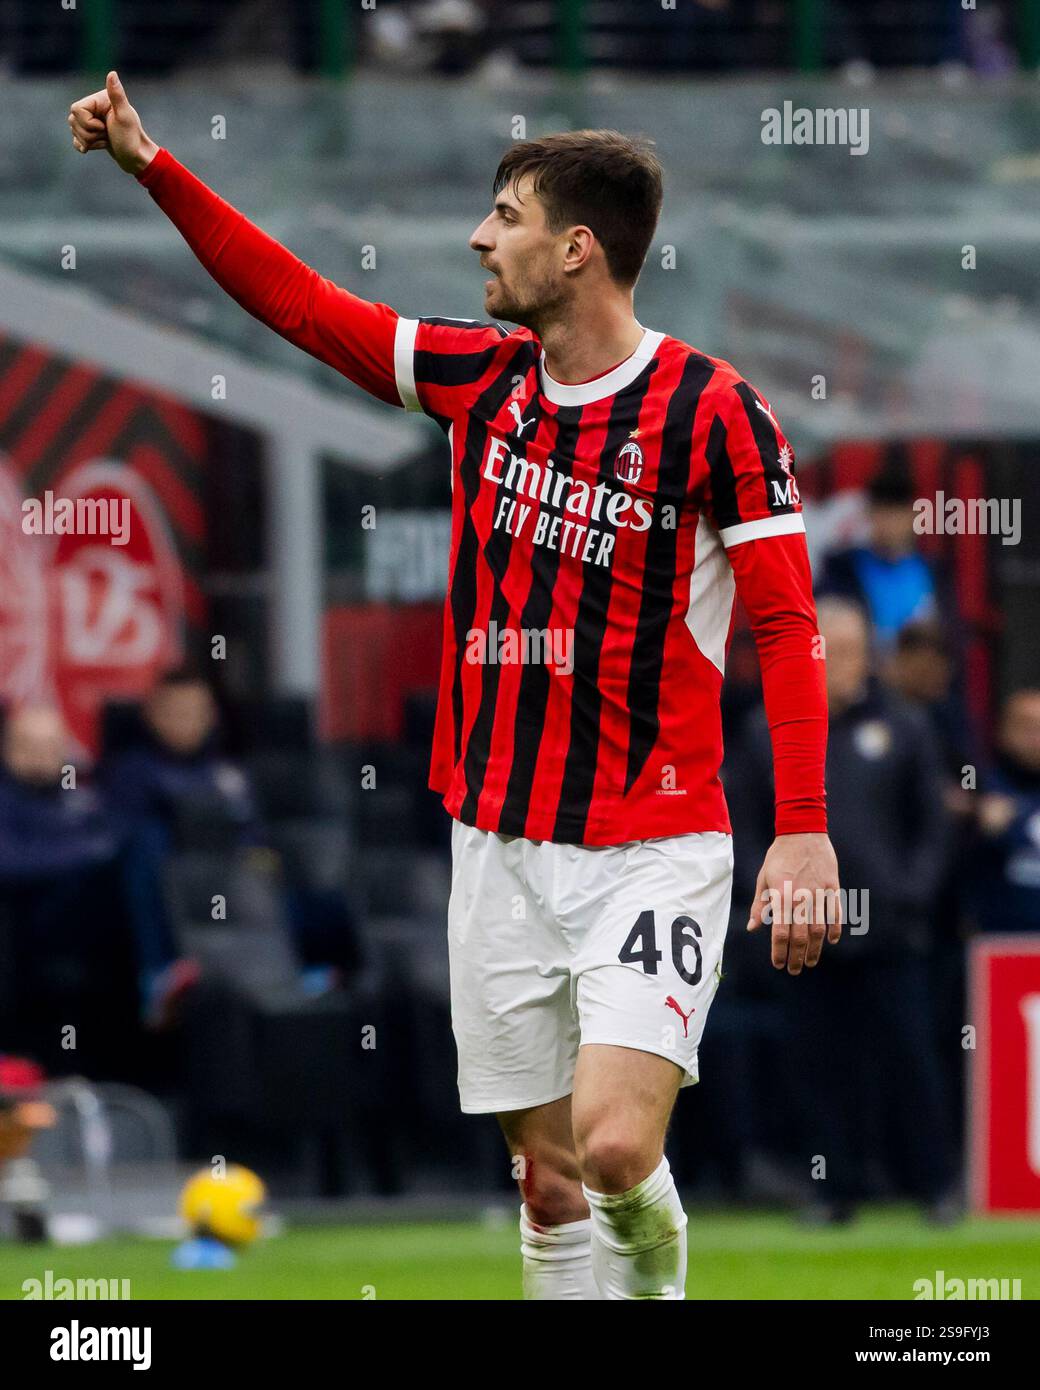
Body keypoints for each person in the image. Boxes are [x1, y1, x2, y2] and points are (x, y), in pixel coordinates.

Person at [67, 74, 841, 1300]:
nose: (480, 238)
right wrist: (155, 168)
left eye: (506, 215)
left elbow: (788, 628)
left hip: (650, 838)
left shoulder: (715, 414)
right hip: (496, 840)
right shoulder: (480, 380)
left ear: (576, 249)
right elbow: (303, 308)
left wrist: (800, 830)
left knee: (614, 1144)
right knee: (544, 1180)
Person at [736, 598, 957, 1220]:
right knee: (819, 1068)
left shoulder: (905, 726)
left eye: (859, 651)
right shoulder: (765, 733)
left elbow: (934, 827)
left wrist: (910, 892)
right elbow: (744, 827)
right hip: (808, 933)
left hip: (890, 932)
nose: (849, 665)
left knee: (912, 1057)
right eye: (835, 652)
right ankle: (835, 1191)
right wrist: (774, 895)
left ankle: (935, 1187)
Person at [817, 468, 951, 652]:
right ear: (869, 514)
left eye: (898, 512)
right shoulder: (842, 570)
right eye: (884, 512)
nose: (891, 523)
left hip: (922, 675)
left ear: (913, 515)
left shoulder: (935, 571)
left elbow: (952, 637)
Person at [971, 688, 1040, 934]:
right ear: (1003, 731)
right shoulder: (982, 787)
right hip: (998, 942)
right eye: (1027, 727)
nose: (1036, 738)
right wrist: (975, 822)